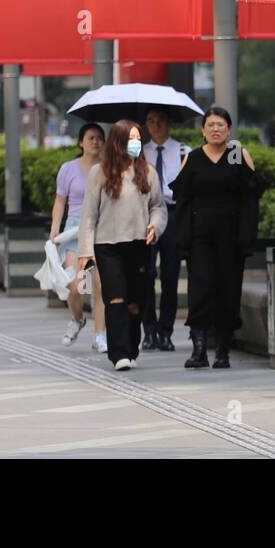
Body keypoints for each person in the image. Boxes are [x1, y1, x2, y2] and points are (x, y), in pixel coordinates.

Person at [171, 106, 259, 370]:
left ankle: (223, 350)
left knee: (228, 291)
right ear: (203, 130)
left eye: (221, 125)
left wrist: (246, 237)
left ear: (229, 130)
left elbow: (250, 201)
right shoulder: (193, 158)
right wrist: (183, 239)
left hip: (231, 239)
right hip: (200, 238)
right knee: (200, 289)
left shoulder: (238, 155)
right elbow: (182, 201)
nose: (216, 129)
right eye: (210, 125)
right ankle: (199, 350)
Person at [76, 120, 167, 371]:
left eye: (139, 139)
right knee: (115, 298)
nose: (136, 144)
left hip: (139, 243)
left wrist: (155, 226)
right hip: (108, 245)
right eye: (131, 139)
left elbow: (158, 207)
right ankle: (118, 354)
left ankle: (131, 347)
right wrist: (86, 251)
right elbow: (88, 215)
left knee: (136, 301)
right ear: (118, 142)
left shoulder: (148, 172)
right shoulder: (99, 172)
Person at [50, 123, 106, 348]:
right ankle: (77, 318)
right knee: (75, 285)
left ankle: (100, 335)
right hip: (74, 231)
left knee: (100, 286)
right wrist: (55, 229)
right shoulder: (68, 169)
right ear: (80, 143)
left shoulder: (107, 168)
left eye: (99, 138)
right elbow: (60, 201)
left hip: (101, 229)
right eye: (91, 138)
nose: (95, 142)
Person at [140, 108, 188, 351]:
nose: (155, 125)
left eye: (160, 121)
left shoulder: (183, 151)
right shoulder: (139, 152)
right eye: (150, 121)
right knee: (146, 274)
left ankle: (166, 332)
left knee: (170, 275)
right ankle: (148, 330)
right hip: (145, 214)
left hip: (173, 213)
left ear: (169, 123)